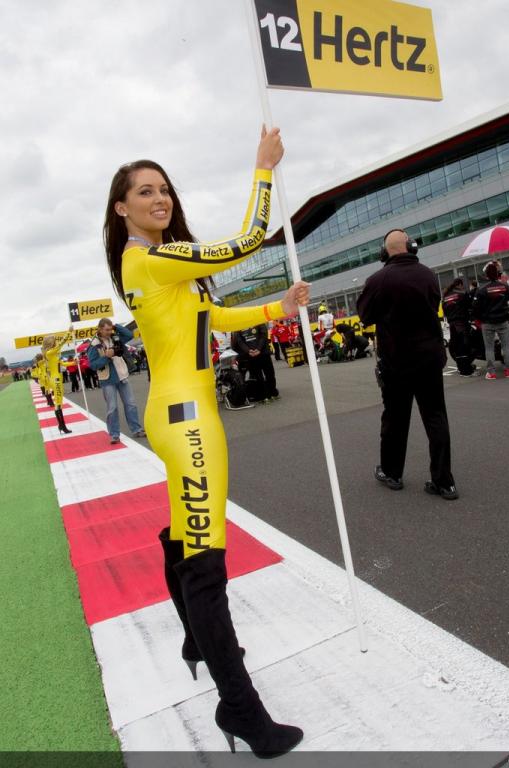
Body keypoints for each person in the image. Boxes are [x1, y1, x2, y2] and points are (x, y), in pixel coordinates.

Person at [103, 126, 307, 757]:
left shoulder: (162, 267)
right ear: (122, 208)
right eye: (145, 192)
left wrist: (277, 309)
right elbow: (247, 241)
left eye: (164, 189)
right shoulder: (147, 260)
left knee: (190, 543)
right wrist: (264, 171)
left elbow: (212, 319)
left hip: (188, 414)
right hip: (186, 420)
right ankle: (240, 707)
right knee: (207, 563)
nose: (160, 199)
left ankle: (198, 638)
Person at [357, 229, 458, 501]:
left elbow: (364, 316)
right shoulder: (428, 274)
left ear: (385, 251)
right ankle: (444, 481)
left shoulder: (377, 280)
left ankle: (392, 473)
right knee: (436, 418)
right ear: (411, 248)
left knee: (395, 420)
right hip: (429, 358)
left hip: (396, 361)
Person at [87, 318, 146, 444]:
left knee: (131, 404)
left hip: (122, 375)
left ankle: (137, 429)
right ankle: (114, 435)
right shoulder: (93, 344)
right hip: (107, 379)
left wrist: (116, 326)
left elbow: (129, 335)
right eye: (107, 330)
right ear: (100, 329)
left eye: (110, 329)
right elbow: (92, 365)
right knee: (112, 408)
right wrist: (106, 357)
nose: (109, 332)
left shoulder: (115, 337)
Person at [474, 261, 509, 380]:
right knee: (506, 346)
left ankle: (491, 373)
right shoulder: (505, 287)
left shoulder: (482, 290)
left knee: (489, 348)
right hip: (503, 320)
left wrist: (482, 318)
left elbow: (475, 308)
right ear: (498, 274)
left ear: (486, 275)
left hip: (487, 322)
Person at [232, 323, 279, 401]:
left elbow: (263, 335)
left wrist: (258, 349)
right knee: (257, 376)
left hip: (263, 353)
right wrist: (248, 351)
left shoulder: (258, 319)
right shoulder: (239, 323)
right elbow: (239, 341)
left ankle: (272, 392)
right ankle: (264, 396)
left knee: (269, 374)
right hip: (251, 355)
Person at [441, 278, 476, 376]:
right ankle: (467, 371)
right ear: (460, 284)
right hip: (461, 323)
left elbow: (445, 311)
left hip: (452, 324)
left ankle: (462, 369)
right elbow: (470, 306)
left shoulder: (445, 296)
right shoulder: (461, 293)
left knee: (457, 348)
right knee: (464, 347)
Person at [42, 330, 74, 434]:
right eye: (54, 340)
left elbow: (62, 364)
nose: (56, 342)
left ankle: (61, 425)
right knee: (59, 403)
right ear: (51, 342)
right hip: (56, 380)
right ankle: (62, 426)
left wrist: (74, 362)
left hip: (56, 379)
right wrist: (69, 332)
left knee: (59, 403)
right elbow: (60, 345)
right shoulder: (50, 353)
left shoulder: (52, 354)